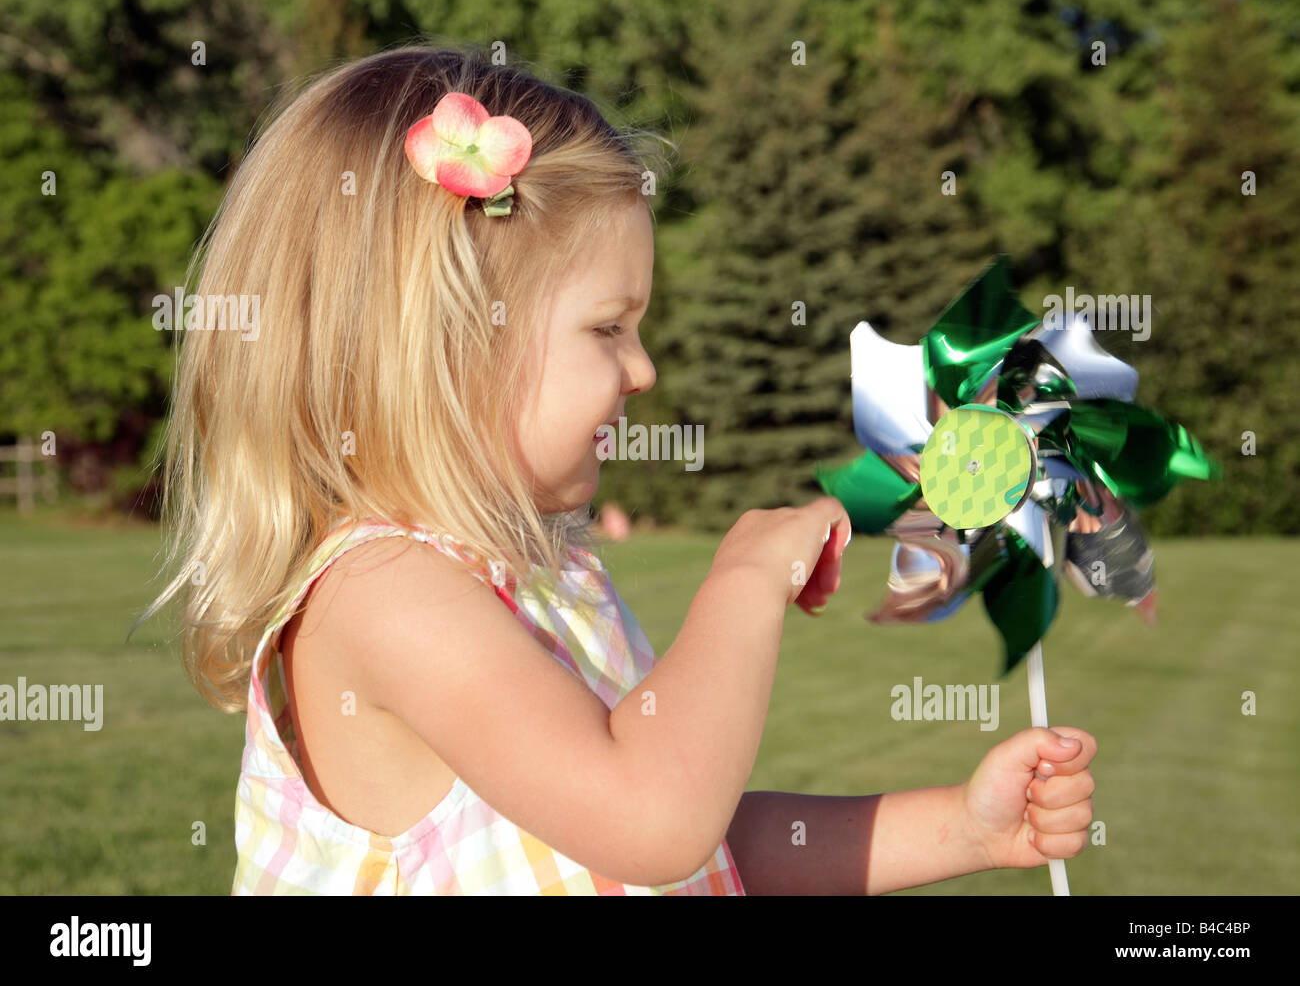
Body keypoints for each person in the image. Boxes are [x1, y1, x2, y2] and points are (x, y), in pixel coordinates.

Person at [139, 44, 1095, 895]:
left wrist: (961, 827)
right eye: (609, 329)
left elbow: (702, 849)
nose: (644, 371)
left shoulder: (548, 579)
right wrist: (744, 579)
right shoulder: (382, 595)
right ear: (443, 345)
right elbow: (654, 823)